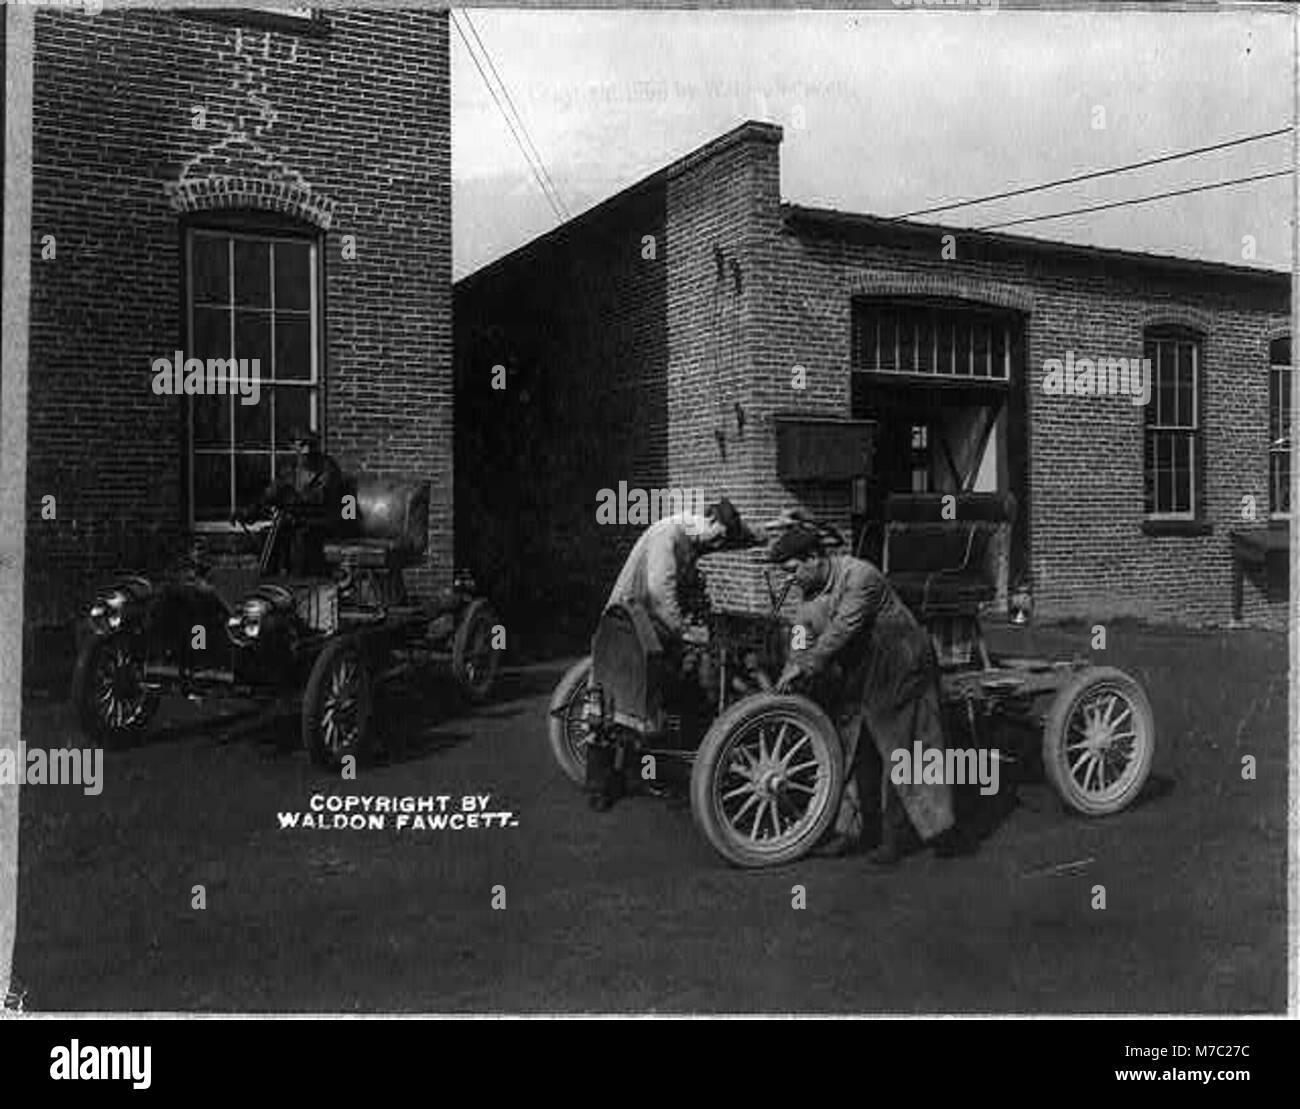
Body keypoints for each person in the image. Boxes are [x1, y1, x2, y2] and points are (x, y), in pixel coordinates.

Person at [769, 520, 968, 864]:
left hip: (899, 659)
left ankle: (916, 835)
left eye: (794, 569)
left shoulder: (860, 576)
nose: (792, 578)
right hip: (862, 665)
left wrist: (809, 662)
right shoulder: (811, 594)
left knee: (903, 749)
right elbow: (802, 630)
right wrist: (793, 662)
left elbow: (844, 627)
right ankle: (853, 830)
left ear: (814, 557)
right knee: (852, 743)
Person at [605, 497, 760, 648]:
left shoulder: (699, 533)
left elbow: (739, 537)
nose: (718, 544)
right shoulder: (668, 534)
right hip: (626, 624)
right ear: (711, 520)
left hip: (652, 620)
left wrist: (768, 532)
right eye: (719, 537)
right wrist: (683, 631)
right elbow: (660, 590)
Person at [251, 429, 347, 576]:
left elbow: (321, 497)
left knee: (301, 538)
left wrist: (291, 503)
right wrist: (251, 511)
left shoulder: (328, 467)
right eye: (302, 445)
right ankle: (271, 581)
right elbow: (273, 492)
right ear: (293, 447)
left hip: (321, 520)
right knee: (265, 536)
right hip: (296, 520)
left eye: (311, 445)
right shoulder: (290, 468)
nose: (307, 450)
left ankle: (300, 581)